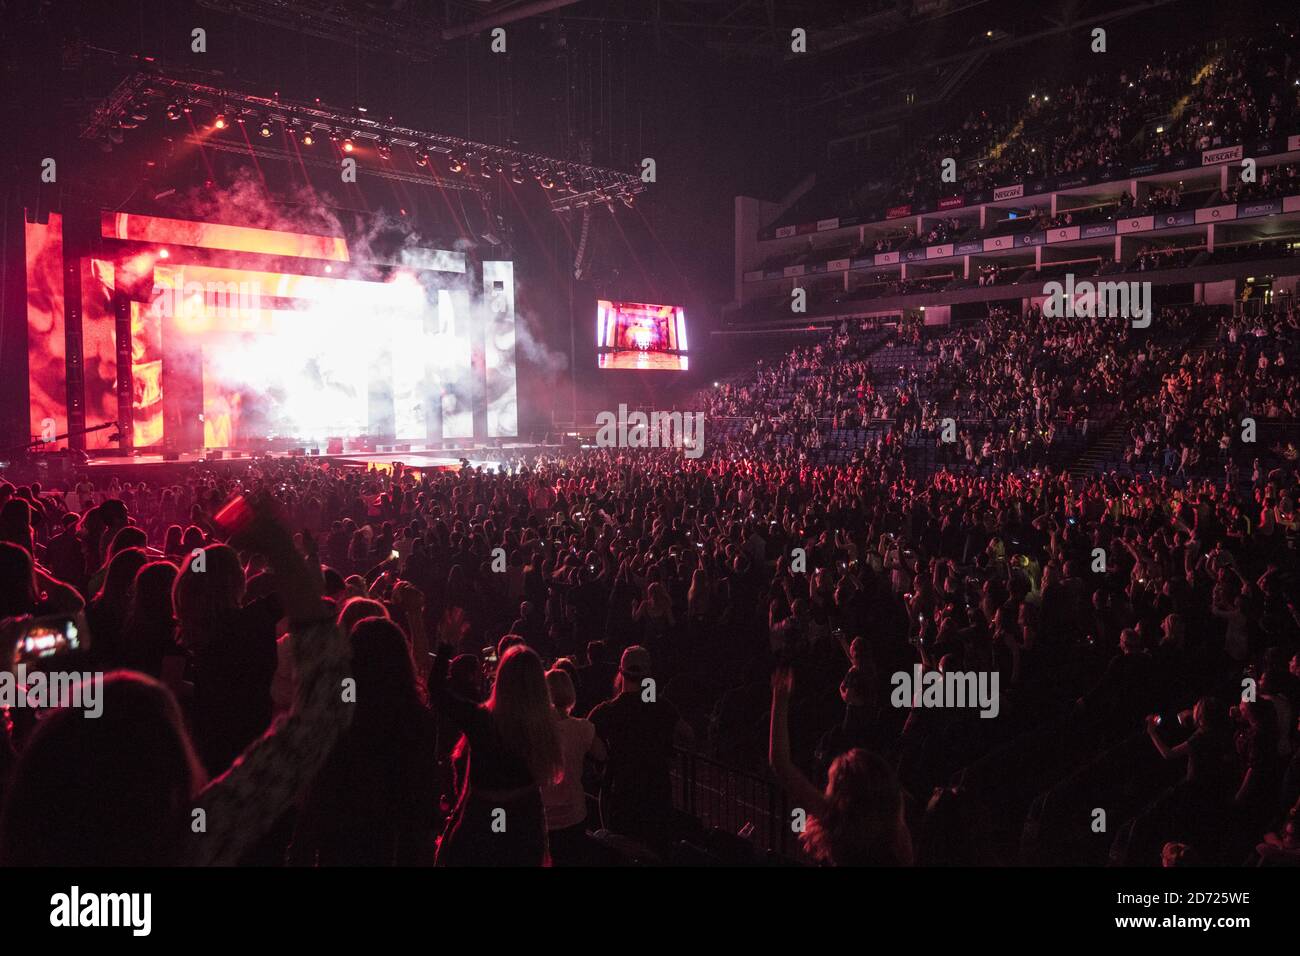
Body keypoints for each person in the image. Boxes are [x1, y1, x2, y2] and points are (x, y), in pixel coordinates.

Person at [0, 499, 352, 866]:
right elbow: (317, 720)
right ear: (169, 762)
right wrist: (283, 550)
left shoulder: (23, 833)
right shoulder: (191, 844)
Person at [291, 616, 438, 866]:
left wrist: (303, 845)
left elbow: (322, 783)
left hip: (342, 836)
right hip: (395, 840)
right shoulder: (417, 719)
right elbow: (423, 789)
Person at [429, 607, 561, 866]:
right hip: (524, 821)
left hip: (481, 819)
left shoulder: (482, 720)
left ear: (501, 679)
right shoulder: (544, 725)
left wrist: (447, 645)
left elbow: (437, 691)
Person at [770, 667, 913, 866]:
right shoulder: (895, 828)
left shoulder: (836, 819)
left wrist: (780, 698)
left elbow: (781, 764)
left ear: (842, 790)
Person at [589, 645, 693, 851]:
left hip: (621, 793)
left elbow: (585, 734)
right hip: (657, 791)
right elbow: (688, 733)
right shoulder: (661, 707)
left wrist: (601, 758)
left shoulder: (608, 710)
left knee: (621, 850)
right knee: (656, 850)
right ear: (649, 675)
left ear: (621, 672)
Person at [542, 667, 607, 865]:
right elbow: (602, 754)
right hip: (573, 811)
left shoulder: (534, 729)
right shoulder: (582, 728)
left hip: (542, 813)